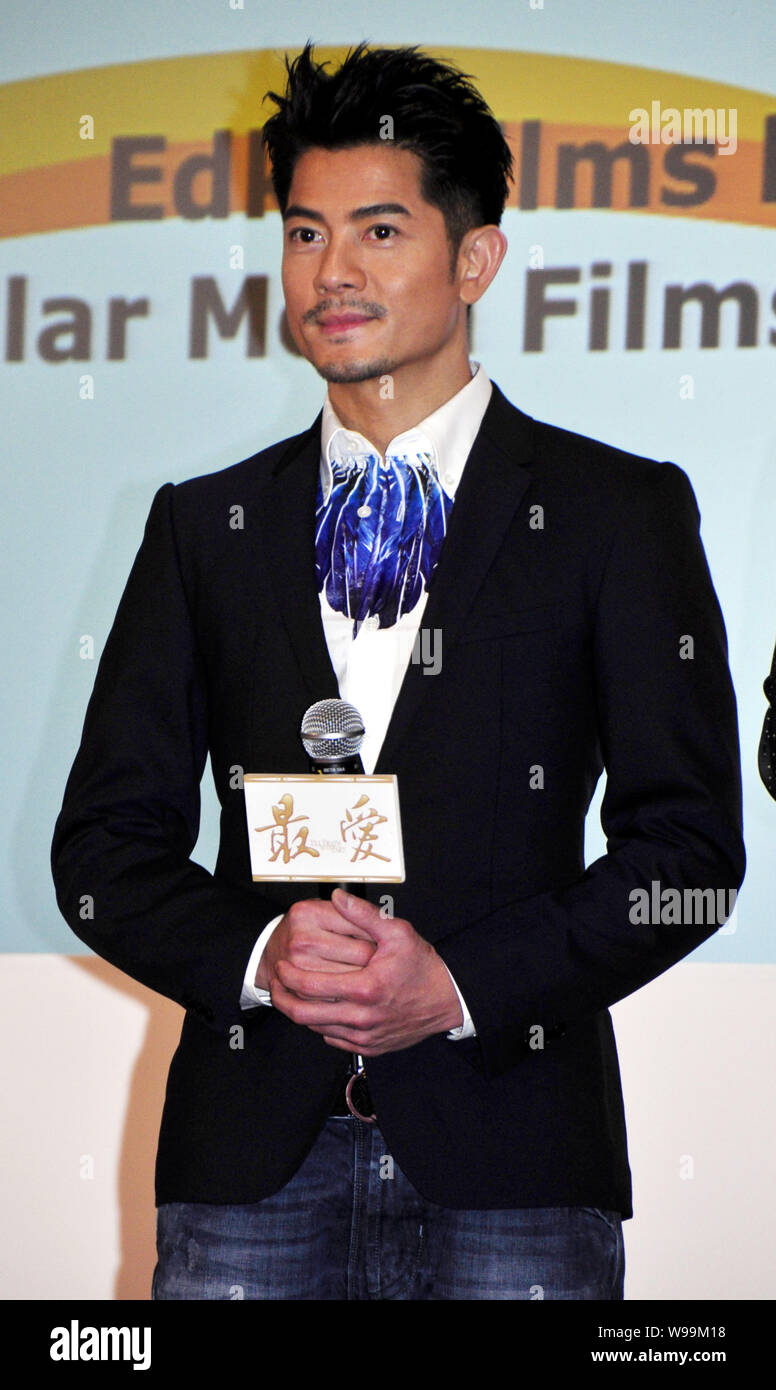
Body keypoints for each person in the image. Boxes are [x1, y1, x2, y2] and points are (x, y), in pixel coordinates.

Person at [51, 42, 745, 1301]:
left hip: (515, 1163)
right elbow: (103, 849)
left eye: (379, 229)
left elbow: (688, 856)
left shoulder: (612, 512)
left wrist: (461, 985)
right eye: (306, 233)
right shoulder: (204, 526)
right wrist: (261, 949)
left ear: (473, 257)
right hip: (246, 1167)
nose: (334, 273)